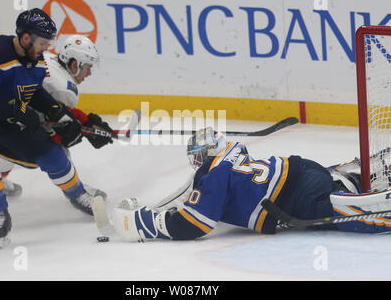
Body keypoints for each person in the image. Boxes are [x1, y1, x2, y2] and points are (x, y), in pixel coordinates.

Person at [0, 8, 102, 247]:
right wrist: (20, 114)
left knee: (50, 154)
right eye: (42, 42)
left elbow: (30, 92)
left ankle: (78, 194)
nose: (46, 47)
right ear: (25, 38)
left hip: (2, 111)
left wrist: (55, 110)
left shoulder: (35, 59)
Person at [112, 127, 391, 241]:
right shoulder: (232, 155)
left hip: (297, 198)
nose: (196, 163)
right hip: (302, 168)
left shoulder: (213, 178)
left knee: (342, 214)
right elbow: (190, 196)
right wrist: (159, 206)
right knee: (332, 179)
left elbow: (193, 224)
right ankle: (357, 172)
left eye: (197, 157)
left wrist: (142, 222)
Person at [0, 34, 114, 198]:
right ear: (75, 64)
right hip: (4, 126)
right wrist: (78, 133)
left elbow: (56, 108)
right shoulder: (64, 88)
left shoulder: (47, 58)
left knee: (18, 137)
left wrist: (85, 121)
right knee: (56, 150)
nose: (89, 73)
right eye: (88, 67)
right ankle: (76, 192)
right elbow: (52, 125)